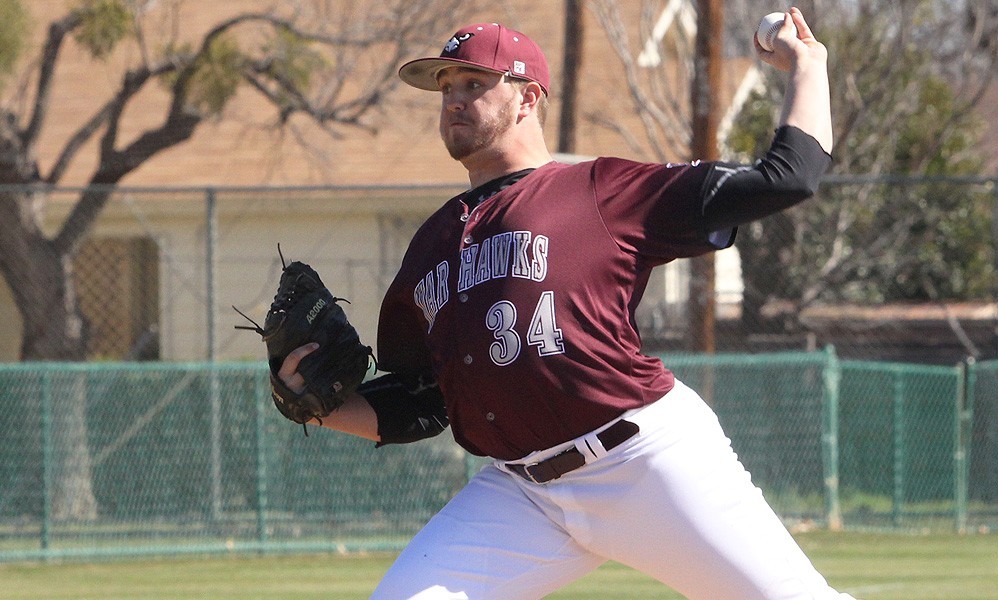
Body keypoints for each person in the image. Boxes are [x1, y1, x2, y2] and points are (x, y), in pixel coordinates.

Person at [279, 7, 855, 599]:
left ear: (528, 98)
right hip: (523, 494)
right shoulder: (432, 244)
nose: (453, 100)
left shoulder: (600, 191)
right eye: (445, 87)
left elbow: (787, 178)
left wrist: (807, 66)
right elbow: (425, 403)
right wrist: (317, 404)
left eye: (474, 83)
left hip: (645, 463)